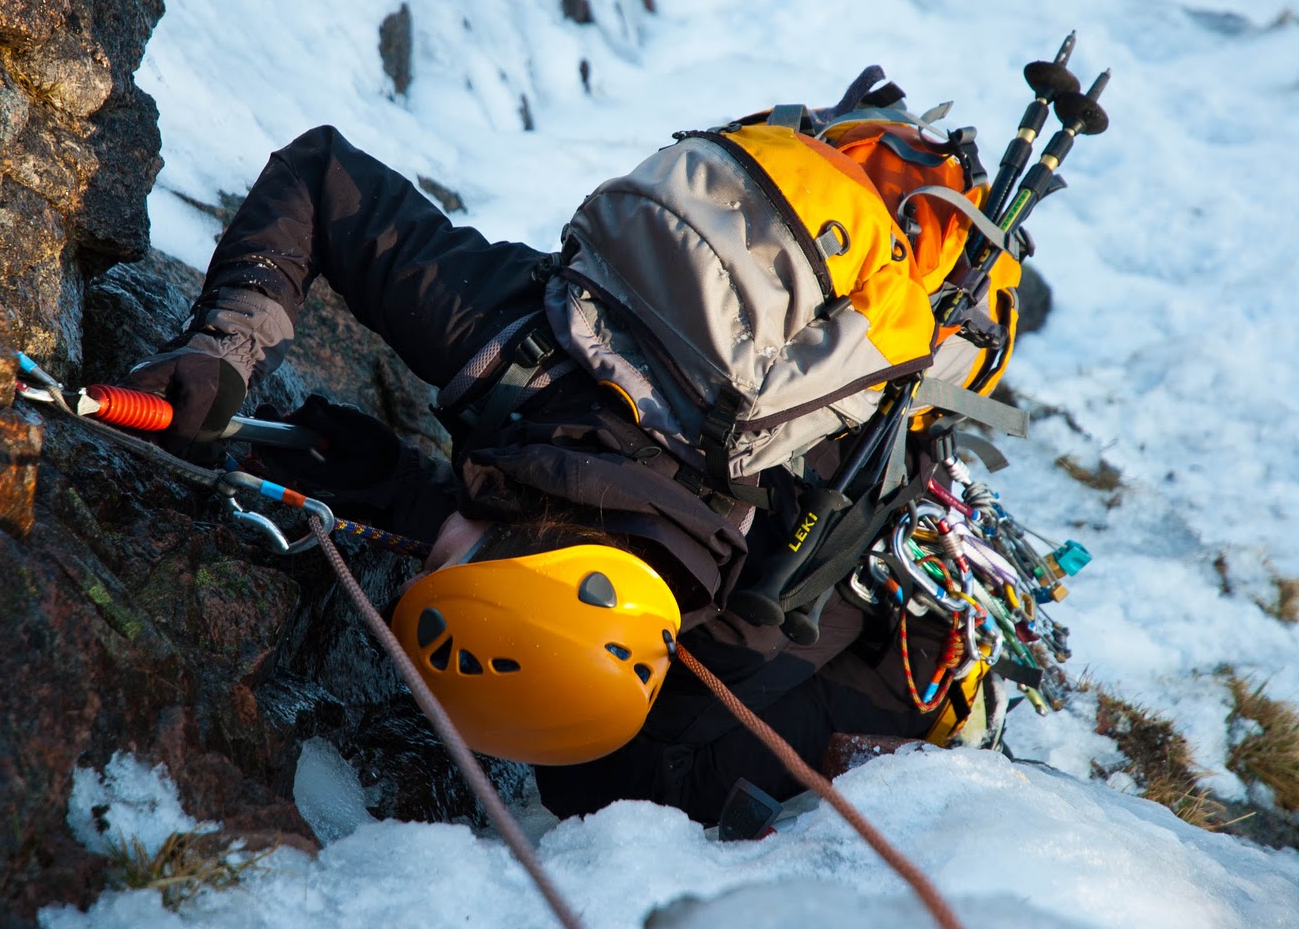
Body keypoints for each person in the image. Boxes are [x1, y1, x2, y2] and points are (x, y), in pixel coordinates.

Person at [124, 124, 959, 825]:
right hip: (792, 342)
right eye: (448, 558)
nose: (426, 554)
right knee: (615, 786)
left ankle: (923, 688)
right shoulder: (506, 352)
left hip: (833, 454)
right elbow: (322, 176)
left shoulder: (517, 352)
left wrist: (386, 484)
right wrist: (224, 352)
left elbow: (321, 173)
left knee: (629, 775)